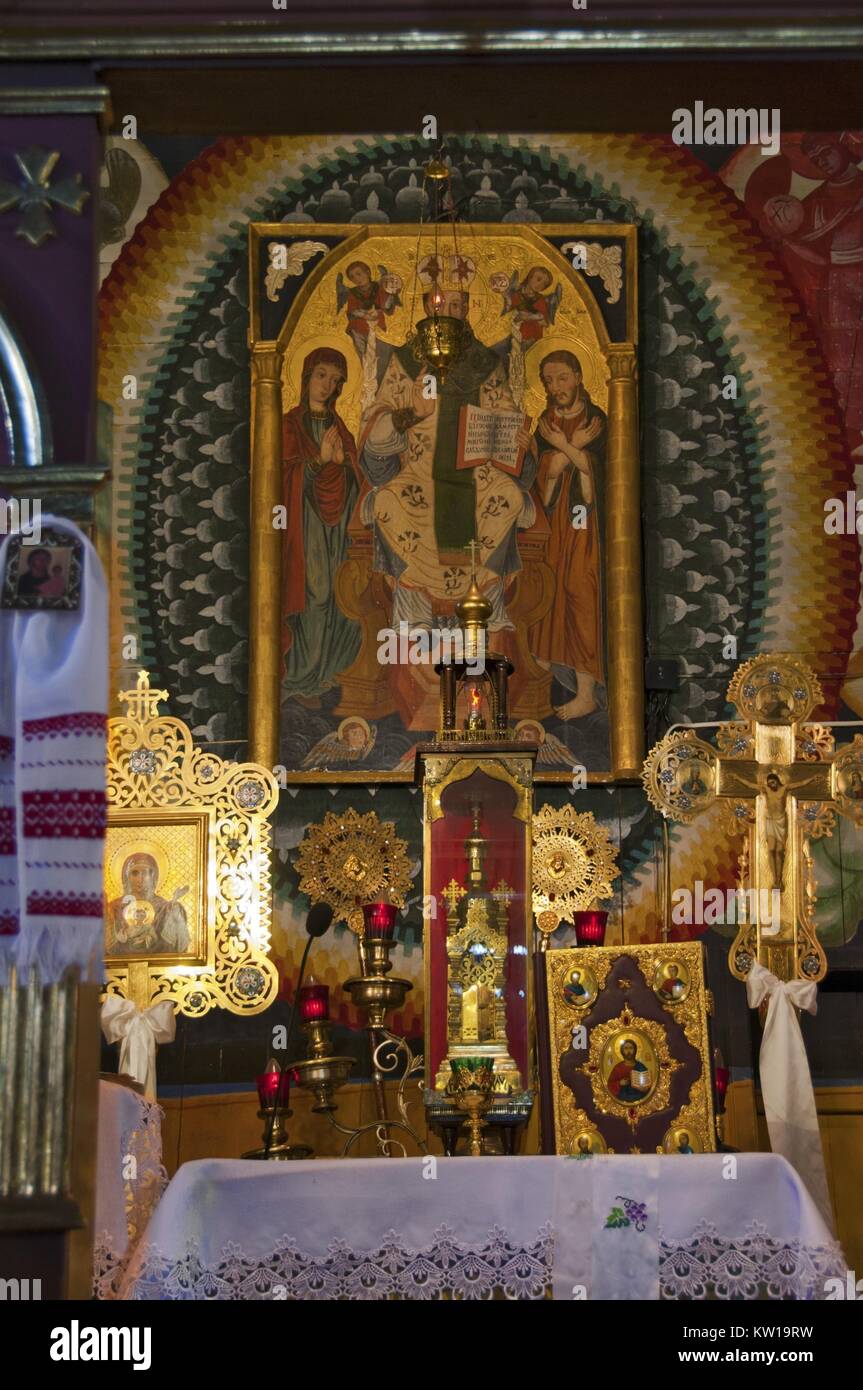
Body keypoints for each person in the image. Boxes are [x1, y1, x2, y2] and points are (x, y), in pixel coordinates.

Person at [281, 346, 363, 705]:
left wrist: (344, 465)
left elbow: (355, 472)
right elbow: (283, 477)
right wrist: (319, 461)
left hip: (339, 522)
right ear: (306, 377)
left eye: (335, 380)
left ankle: (329, 674)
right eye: (321, 375)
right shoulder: (288, 424)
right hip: (305, 521)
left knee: (342, 595)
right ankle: (300, 678)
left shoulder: (338, 426)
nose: (327, 385)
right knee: (315, 594)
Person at [528, 350, 606, 720]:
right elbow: (538, 479)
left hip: (585, 526)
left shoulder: (598, 422)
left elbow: (601, 479)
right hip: (553, 523)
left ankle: (587, 692)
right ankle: (541, 683)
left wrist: (564, 450)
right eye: (548, 381)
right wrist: (560, 456)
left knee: (581, 593)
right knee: (547, 593)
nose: (555, 387)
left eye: (561, 378)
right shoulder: (545, 423)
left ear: (577, 377)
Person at [107, 852, 190, 954]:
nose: (140, 879)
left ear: (153, 877)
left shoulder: (165, 908)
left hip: (162, 967)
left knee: (176, 909)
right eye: (135, 873)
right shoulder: (114, 908)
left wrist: (174, 906)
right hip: (116, 967)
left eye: (145, 873)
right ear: (126, 876)